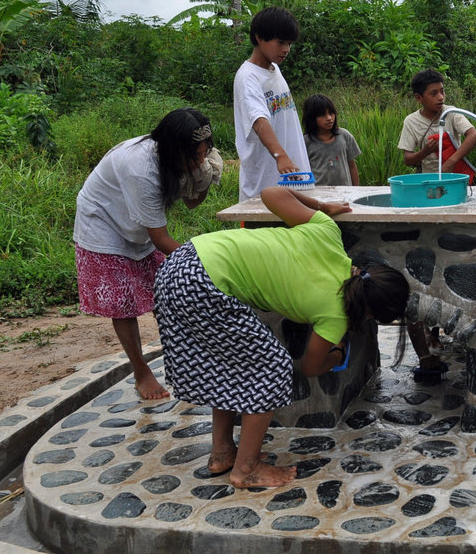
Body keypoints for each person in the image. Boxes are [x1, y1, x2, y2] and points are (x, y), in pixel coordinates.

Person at [154, 186, 410, 488]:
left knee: (228, 363)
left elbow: (272, 193)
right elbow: (311, 366)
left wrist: (320, 207)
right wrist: (339, 353)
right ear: (370, 312)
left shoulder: (326, 231)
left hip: (181, 263)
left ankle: (222, 452)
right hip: (202, 284)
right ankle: (246, 470)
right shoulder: (336, 314)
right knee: (273, 367)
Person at [73, 108, 221, 400]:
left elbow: (192, 203)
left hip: (137, 224)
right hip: (104, 223)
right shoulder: (140, 169)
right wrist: (208, 261)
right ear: (176, 149)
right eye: (197, 155)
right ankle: (141, 373)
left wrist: (205, 175)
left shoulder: (179, 157)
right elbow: (162, 239)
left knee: (167, 292)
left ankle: (185, 364)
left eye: (205, 153)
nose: (201, 159)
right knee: (124, 303)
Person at [234, 6, 312, 201]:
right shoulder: (248, 77)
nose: (286, 49)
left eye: (289, 43)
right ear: (260, 37)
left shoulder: (274, 69)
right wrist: (280, 156)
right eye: (280, 42)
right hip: (265, 189)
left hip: (292, 180)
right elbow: (259, 120)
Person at [398, 68, 476, 176]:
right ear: (419, 98)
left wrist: (451, 162)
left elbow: (474, 136)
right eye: (434, 94)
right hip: (428, 179)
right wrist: (425, 152)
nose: (441, 97)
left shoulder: (451, 113)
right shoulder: (411, 121)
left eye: (442, 91)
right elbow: (407, 159)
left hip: (455, 177)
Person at [302, 93, 361, 186]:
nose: (329, 118)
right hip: (319, 196)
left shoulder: (344, 135)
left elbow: (352, 167)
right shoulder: (305, 142)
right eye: (323, 115)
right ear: (311, 118)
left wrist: (356, 190)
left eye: (331, 113)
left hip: (345, 193)